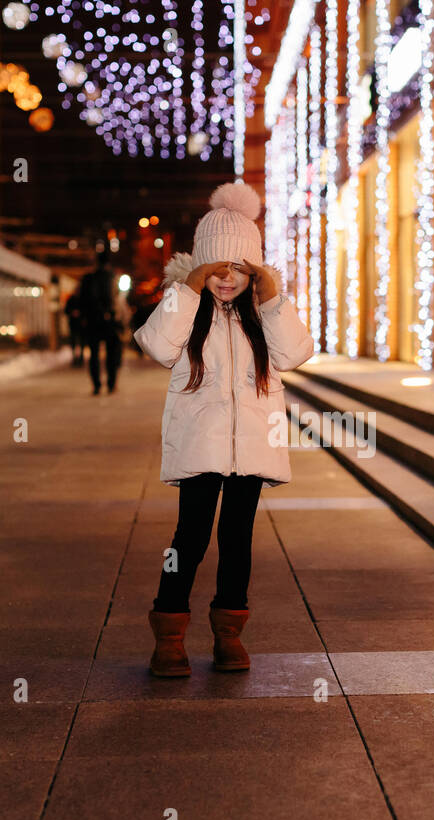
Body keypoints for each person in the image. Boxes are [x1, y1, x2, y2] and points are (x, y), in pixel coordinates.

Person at [134, 182, 314, 677]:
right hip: (200, 445)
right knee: (189, 538)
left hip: (251, 449)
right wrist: (189, 289)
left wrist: (271, 297)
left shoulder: (263, 315)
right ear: (201, 268)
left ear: (253, 270)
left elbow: (295, 354)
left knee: (237, 540)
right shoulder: (187, 311)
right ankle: (169, 634)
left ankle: (229, 634)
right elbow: (155, 346)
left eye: (239, 268)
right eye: (217, 268)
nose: (228, 278)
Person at [80, 250, 123, 394]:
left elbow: (83, 300)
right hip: (110, 321)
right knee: (112, 354)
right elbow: (116, 299)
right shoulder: (112, 277)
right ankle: (111, 383)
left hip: (93, 321)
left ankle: (97, 385)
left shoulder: (88, 278)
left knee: (94, 355)